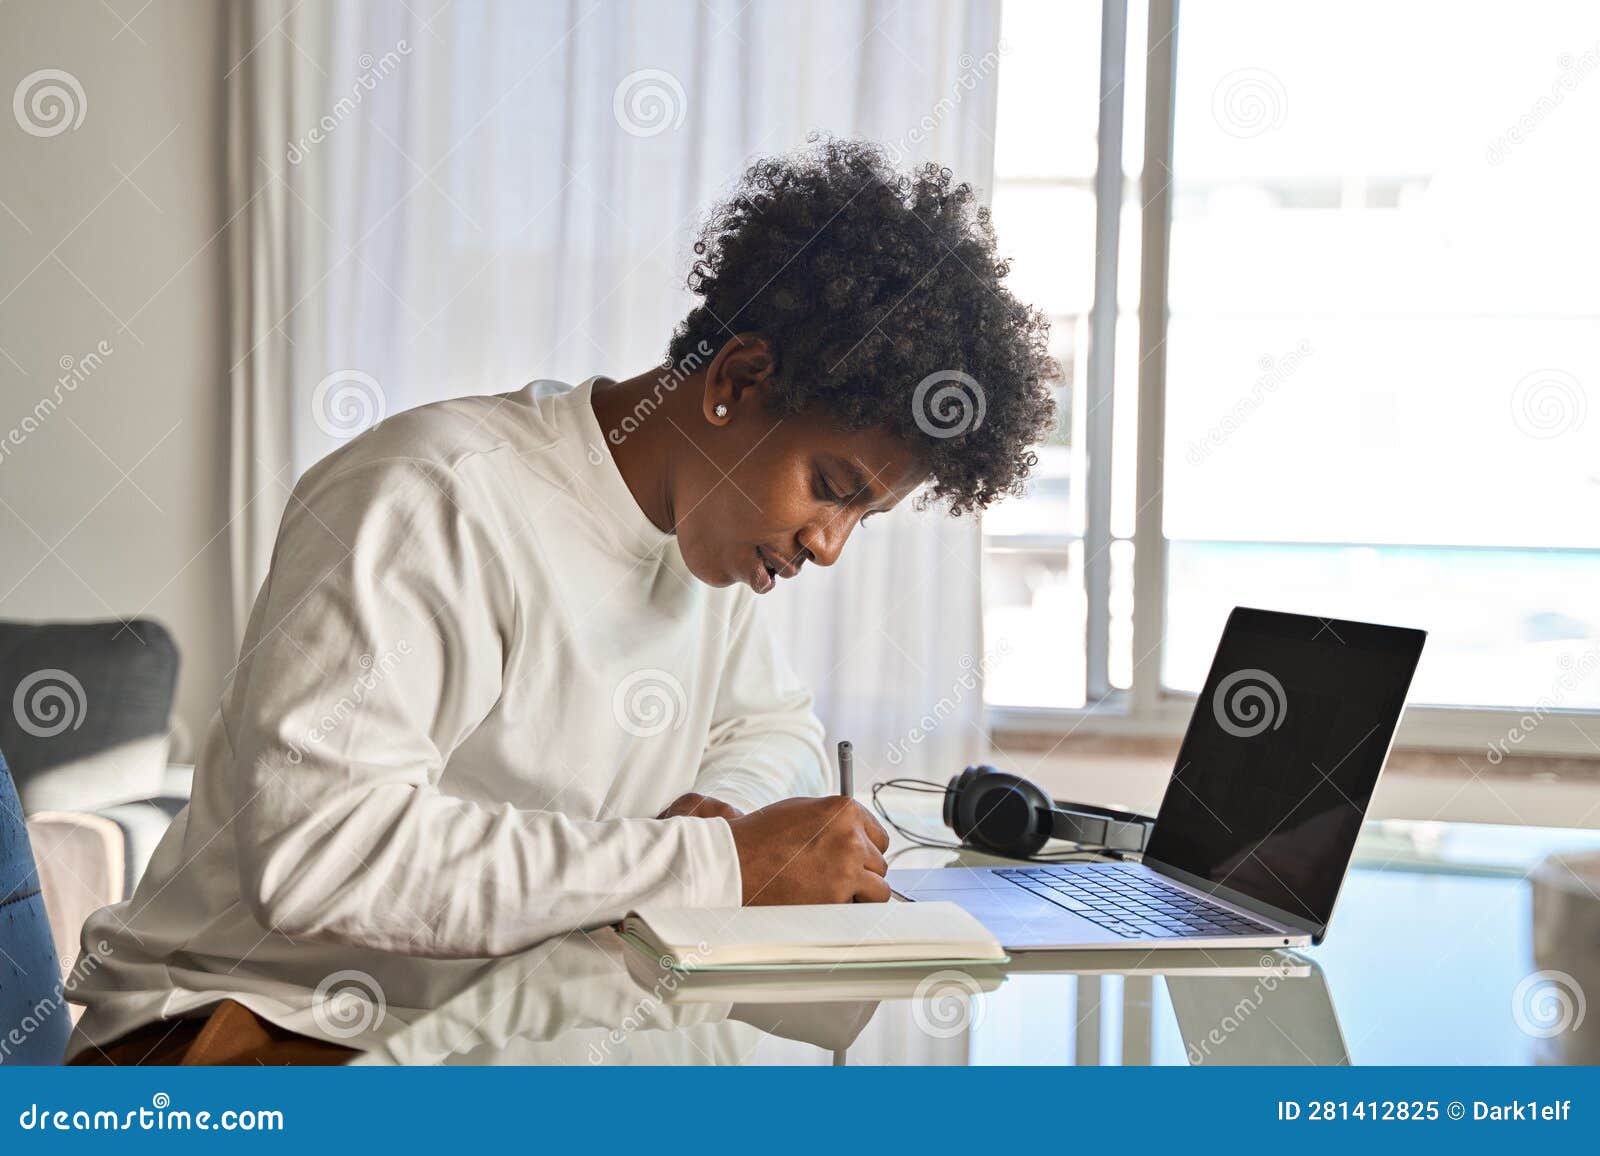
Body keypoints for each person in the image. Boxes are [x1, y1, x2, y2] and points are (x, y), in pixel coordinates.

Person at [68, 138, 1056, 1064]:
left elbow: (772, 725)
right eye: (832, 488)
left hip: (463, 1029)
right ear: (738, 380)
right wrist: (705, 863)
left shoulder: (701, 547)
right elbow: (323, 853)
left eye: (862, 518)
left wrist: (732, 825)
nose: (828, 545)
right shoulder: (435, 496)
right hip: (239, 1041)